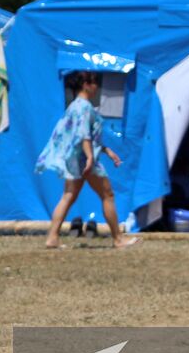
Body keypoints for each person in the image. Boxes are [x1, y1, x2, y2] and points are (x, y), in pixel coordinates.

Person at [36, 71, 140, 249]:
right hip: (85, 160)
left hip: (76, 159)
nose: (97, 86)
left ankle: (52, 237)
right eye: (94, 82)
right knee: (108, 195)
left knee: (68, 196)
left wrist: (107, 151)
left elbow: (87, 136)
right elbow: (84, 135)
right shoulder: (84, 107)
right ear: (85, 84)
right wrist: (91, 157)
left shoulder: (74, 106)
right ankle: (118, 239)